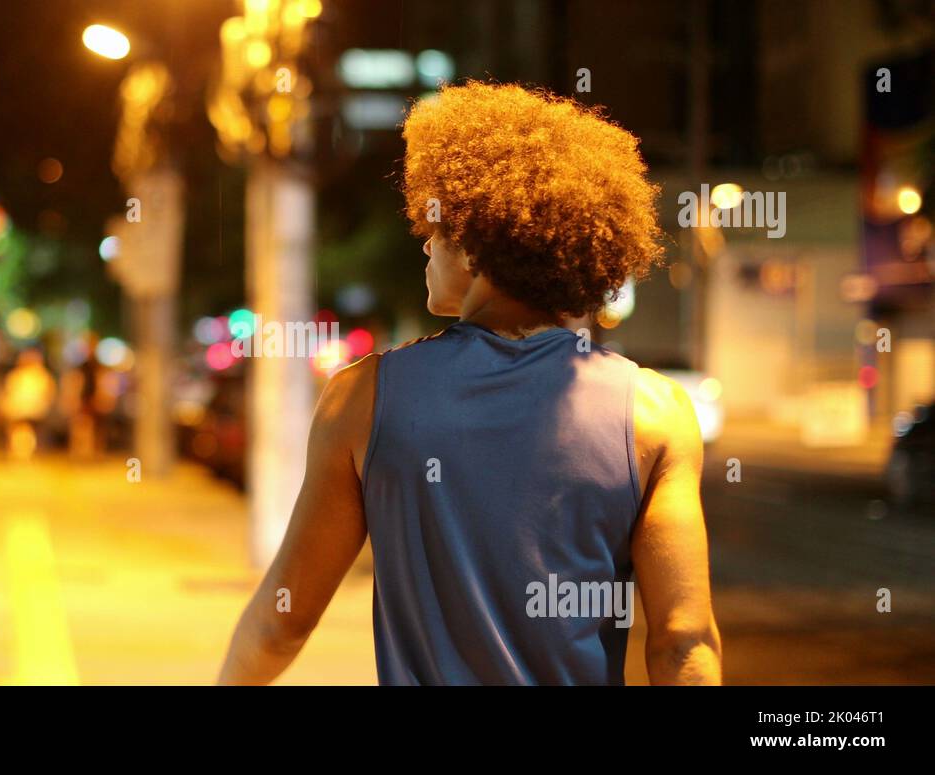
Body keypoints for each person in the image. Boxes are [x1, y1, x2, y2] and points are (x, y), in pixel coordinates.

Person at [219, 83, 721, 685]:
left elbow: (283, 621)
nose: (426, 243)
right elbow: (684, 641)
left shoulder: (365, 398)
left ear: (479, 248)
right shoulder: (654, 412)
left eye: (439, 228)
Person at [0, 348, 56, 460]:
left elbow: (8, 394)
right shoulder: (43, 376)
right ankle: (26, 449)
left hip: (20, 410)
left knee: (18, 428)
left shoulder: (17, 375)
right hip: (30, 410)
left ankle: (20, 449)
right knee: (27, 429)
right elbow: (49, 394)